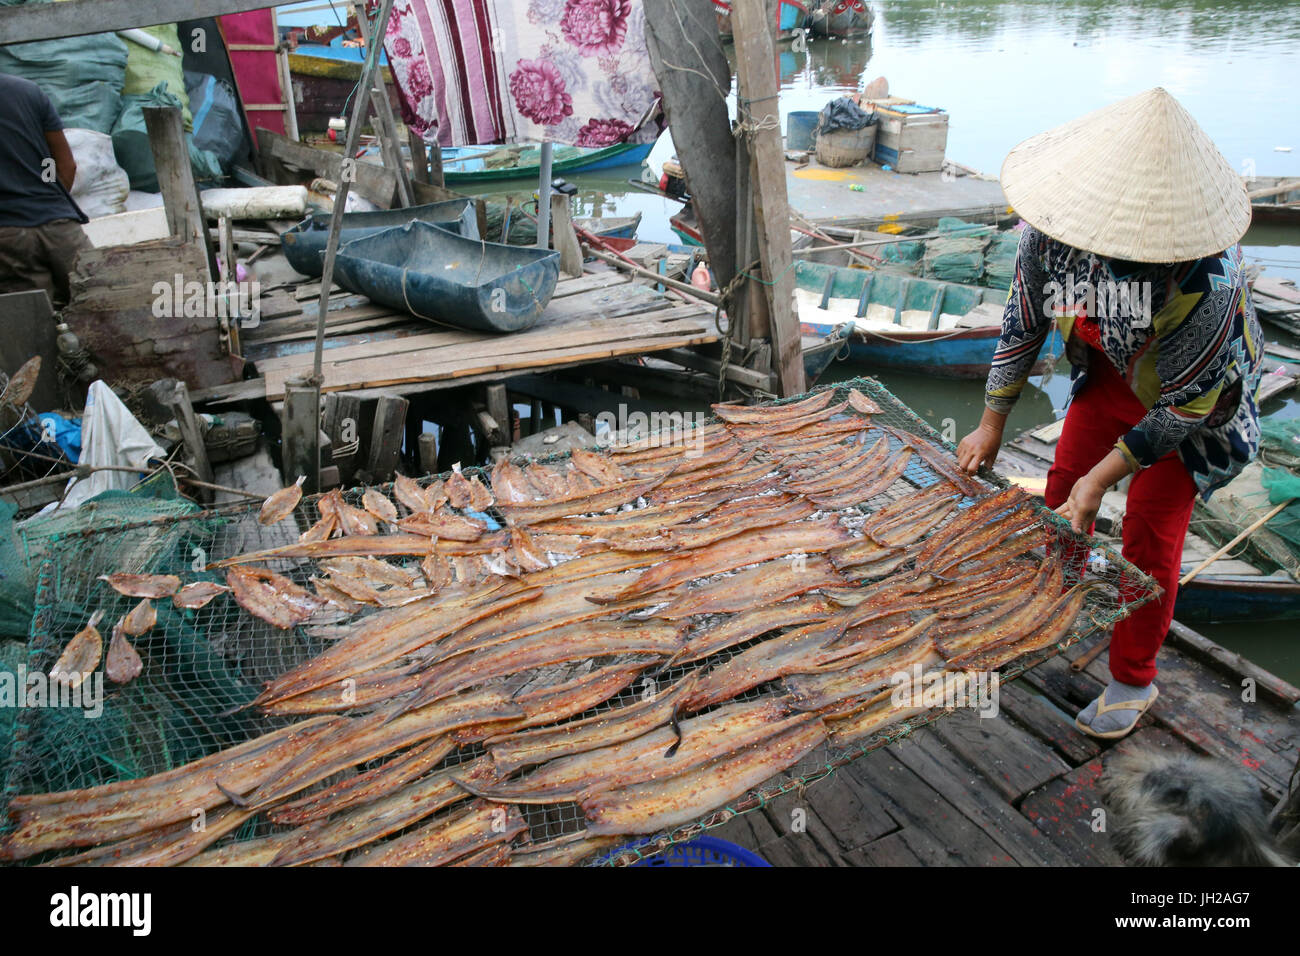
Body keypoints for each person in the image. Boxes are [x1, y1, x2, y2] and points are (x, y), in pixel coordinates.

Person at [956, 87, 1262, 740]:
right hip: (1113, 374)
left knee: (1149, 533)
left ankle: (1133, 677)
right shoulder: (1048, 239)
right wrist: (992, 421)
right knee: (1061, 488)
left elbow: (1189, 404)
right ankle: (1054, 609)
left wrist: (1107, 479)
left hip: (1193, 411)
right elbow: (1023, 323)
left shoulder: (1209, 283)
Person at [0, 71, 91, 310]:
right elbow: (67, 165)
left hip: (8, 237)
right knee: (100, 303)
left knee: (34, 326)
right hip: (61, 226)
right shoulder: (28, 91)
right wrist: (50, 202)